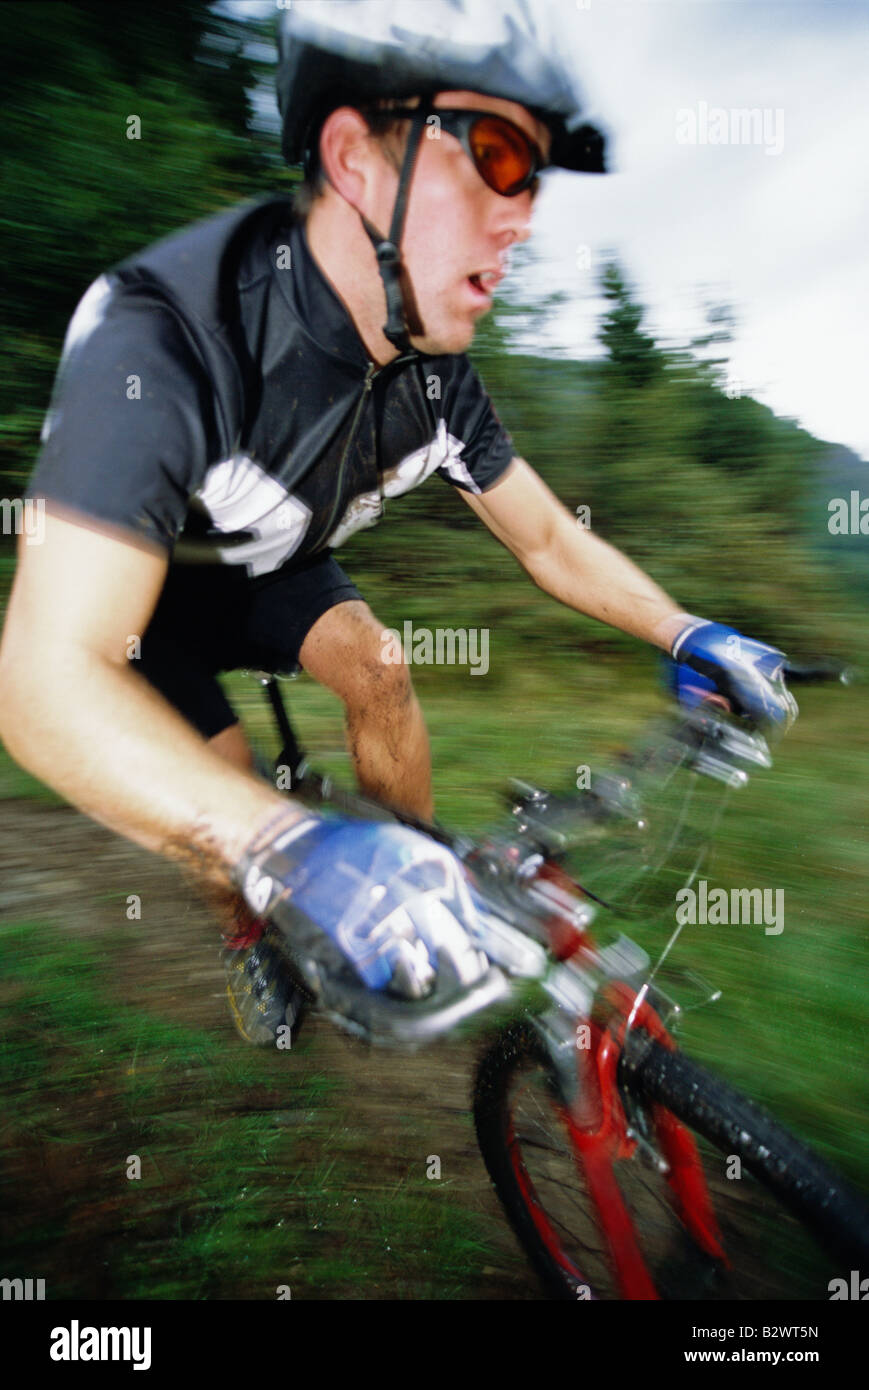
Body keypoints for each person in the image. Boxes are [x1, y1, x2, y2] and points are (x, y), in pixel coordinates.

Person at [0, 1, 796, 1045]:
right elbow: (41, 682)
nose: (522, 215)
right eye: (497, 155)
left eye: (537, 176)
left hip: (270, 562)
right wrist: (281, 842)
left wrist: (683, 630)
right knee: (219, 799)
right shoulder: (167, 333)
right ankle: (254, 940)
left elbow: (550, 539)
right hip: (146, 600)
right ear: (354, 159)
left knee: (380, 665)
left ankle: (404, 881)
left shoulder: (435, 377)